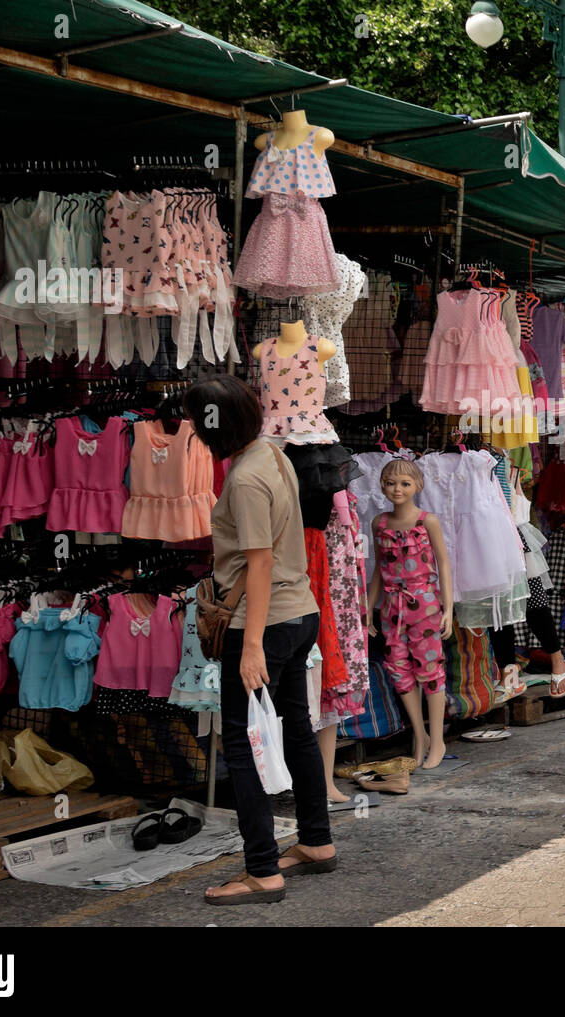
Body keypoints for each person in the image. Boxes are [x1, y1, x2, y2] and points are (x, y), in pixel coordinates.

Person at [183, 375, 335, 906]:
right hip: (300, 614)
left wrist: (248, 647)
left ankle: (263, 871)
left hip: (263, 626)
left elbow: (260, 560)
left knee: (243, 748)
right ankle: (316, 841)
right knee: (297, 730)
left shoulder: (245, 478)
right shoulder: (271, 454)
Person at [366, 459, 454, 769]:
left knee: (430, 669)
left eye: (404, 483)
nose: (397, 489)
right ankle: (420, 736)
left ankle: (437, 739)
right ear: (381, 486)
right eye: (390, 483)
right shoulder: (379, 523)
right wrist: (368, 607)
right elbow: (379, 567)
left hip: (425, 603)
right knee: (399, 670)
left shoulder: (427, 520)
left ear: (417, 486)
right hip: (391, 606)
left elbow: (443, 563)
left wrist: (448, 607)